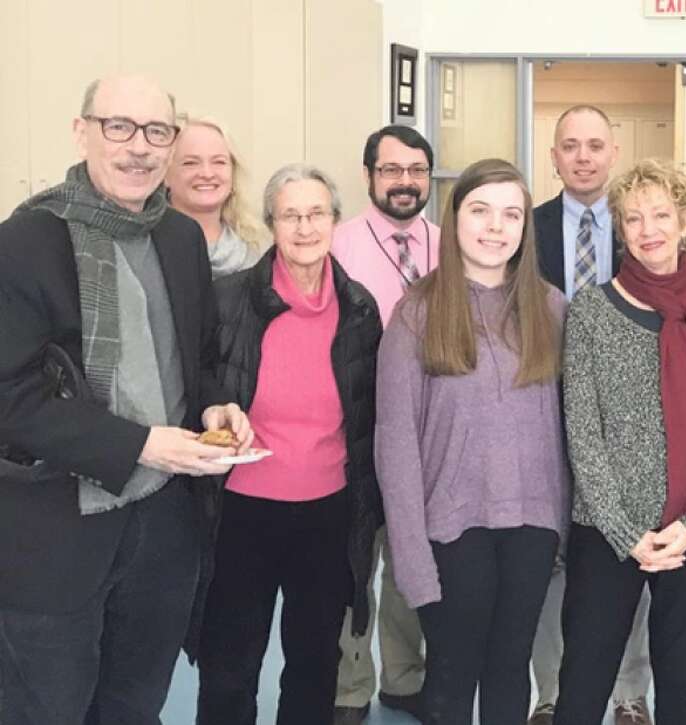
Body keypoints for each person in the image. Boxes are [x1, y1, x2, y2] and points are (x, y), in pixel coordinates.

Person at [0, 74, 252, 725]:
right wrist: (138, 443)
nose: (139, 147)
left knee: (135, 705)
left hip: (164, 523)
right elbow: (10, 397)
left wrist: (216, 406)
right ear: (81, 132)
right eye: (119, 126)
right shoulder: (23, 242)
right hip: (56, 526)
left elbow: (197, 360)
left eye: (156, 131)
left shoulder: (180, 238)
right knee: (46, 709)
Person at [377, 158, 570, 725]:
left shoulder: (551, 308)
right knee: (452, 678)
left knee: (510, 673)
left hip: (532, 529)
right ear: (455, 218)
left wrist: (563, 529)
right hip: (449, 530)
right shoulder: (417, 313)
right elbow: (395, 442)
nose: (495, 227)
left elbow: (566, 431)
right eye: (481, 211)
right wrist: (410, 555)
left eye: (511, 214)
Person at [554, 158, 686, 725]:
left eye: (661, 214)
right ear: (620, 228)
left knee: (682, 684)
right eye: (633, 218)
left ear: (684, 220)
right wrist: (622, 531)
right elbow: (582, 430)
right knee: (583, 681)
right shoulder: (591, 310)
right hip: (607, 530)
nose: (648, 229)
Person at [194, 164, 383, 725]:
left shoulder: (361, 309)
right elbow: (197, 379)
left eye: (316, 213)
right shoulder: (228, 299)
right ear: (271, 223)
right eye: (290, 215)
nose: (304, 228)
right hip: (242, 510)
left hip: (329, 512)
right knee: (229, 665)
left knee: (314, 664)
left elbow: (369, 412)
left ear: (335, 221)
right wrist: (213, 407)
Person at [529, 104, 653, 725]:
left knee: (630, 549)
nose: (583, 156)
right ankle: (551, 693)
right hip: (543, 415)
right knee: (550, 558)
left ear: (613, 154)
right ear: (554, 157)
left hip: (627, 424)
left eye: (595, 145)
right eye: (570, 145)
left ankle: (630, 692)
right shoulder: (525, 229)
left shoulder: (642, 227)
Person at [330, 124, 440, 724]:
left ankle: (405, 678)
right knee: (353, 563)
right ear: (369, 175)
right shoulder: (337, 246)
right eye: (391, 169)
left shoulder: (450, 246)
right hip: (354, 430)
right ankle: (350, 687)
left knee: (410, 561)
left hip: (428, 433)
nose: (405, 181)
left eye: (416, 170)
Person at [165, 115, 265, 278]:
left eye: (219, 162)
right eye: (191, 163)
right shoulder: (147, 250)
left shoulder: (254, 254)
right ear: (165, 175)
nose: (207, 173)